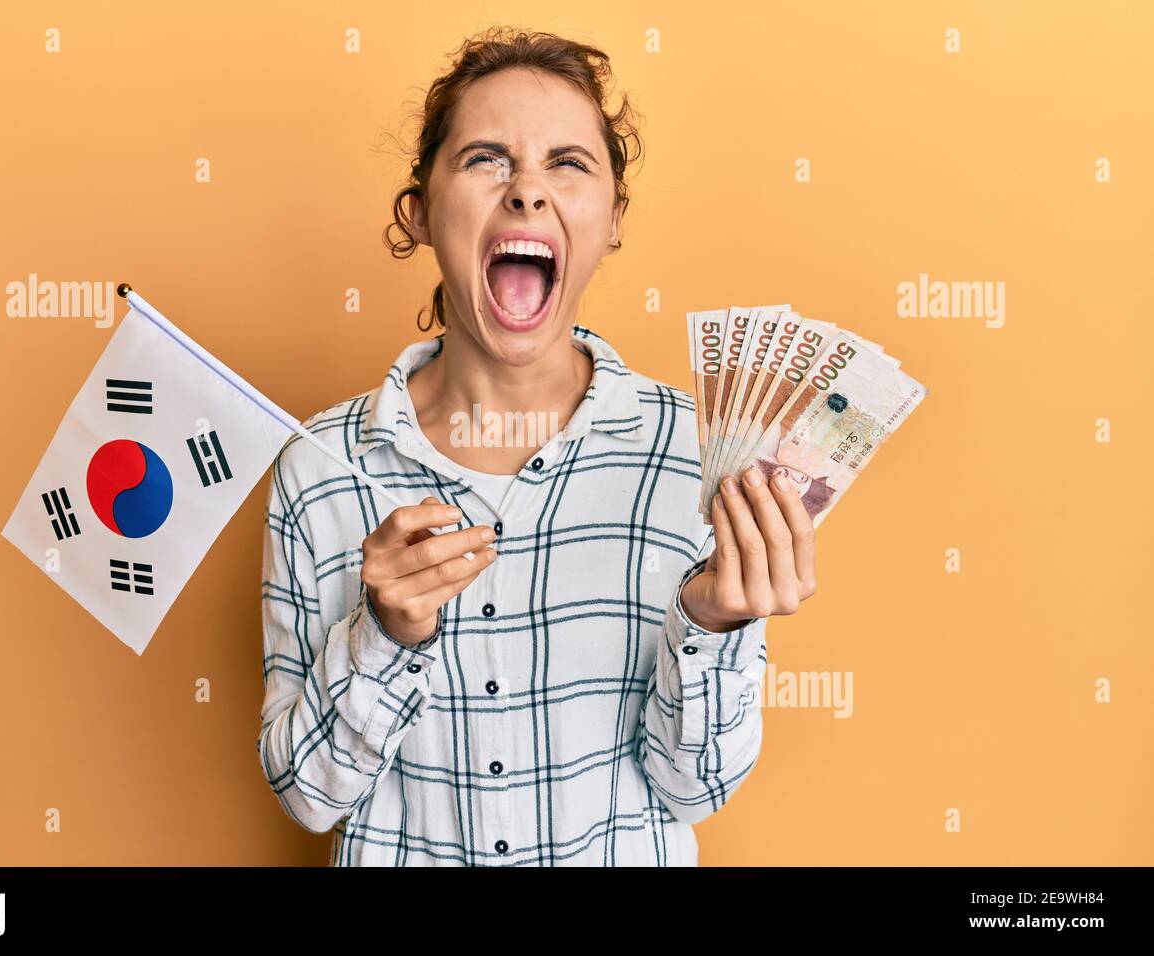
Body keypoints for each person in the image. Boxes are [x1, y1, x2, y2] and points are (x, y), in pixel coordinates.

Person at [258, 27, 817, 866]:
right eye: (486, 158)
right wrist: (382, 635)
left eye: (568, 163)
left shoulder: (697, 459)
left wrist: (713, 623)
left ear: (613, 220)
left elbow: (695, 790)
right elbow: (305, 796)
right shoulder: (319, 471)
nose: (526, 191)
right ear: (418, 212)